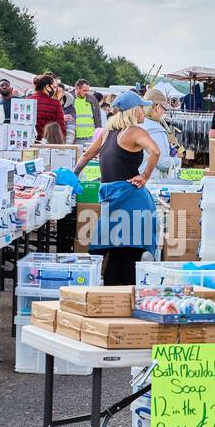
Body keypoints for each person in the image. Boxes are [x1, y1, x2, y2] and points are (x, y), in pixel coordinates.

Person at [74, 91, 160, 286]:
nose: (144, 112)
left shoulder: (107, 133)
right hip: (132, 199)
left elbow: (87, 154)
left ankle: (113, 302)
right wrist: (145, 175)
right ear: (134, 110)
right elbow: (155, 151)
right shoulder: (135, 131)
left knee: (115, 253)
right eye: (141, 108)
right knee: (129, 256)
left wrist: (74, 176)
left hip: (112, 197)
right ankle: (124, 305)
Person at [142, 88, 178, 178]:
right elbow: (163, 163)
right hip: (152, 181)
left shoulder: (137, 125)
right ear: (157, 107)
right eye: (164, 108)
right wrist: (177, 159)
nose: (164, 112)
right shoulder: (156, 131)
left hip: (136, 178)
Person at [28, 72, 68, 142]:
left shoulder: (27, 101)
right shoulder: (55, 104)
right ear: (47, 87)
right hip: (48, 144)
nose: (55, 90)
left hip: (29, 143)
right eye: (54, 87)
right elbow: (60, 127)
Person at [71, 78, 102, 145]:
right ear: (77, 88)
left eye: (88, 90)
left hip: (91, 138)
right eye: (84, 90)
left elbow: (98, 118)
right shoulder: (70, 99)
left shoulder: (92, 99)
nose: (87, 93)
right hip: (74, 139)